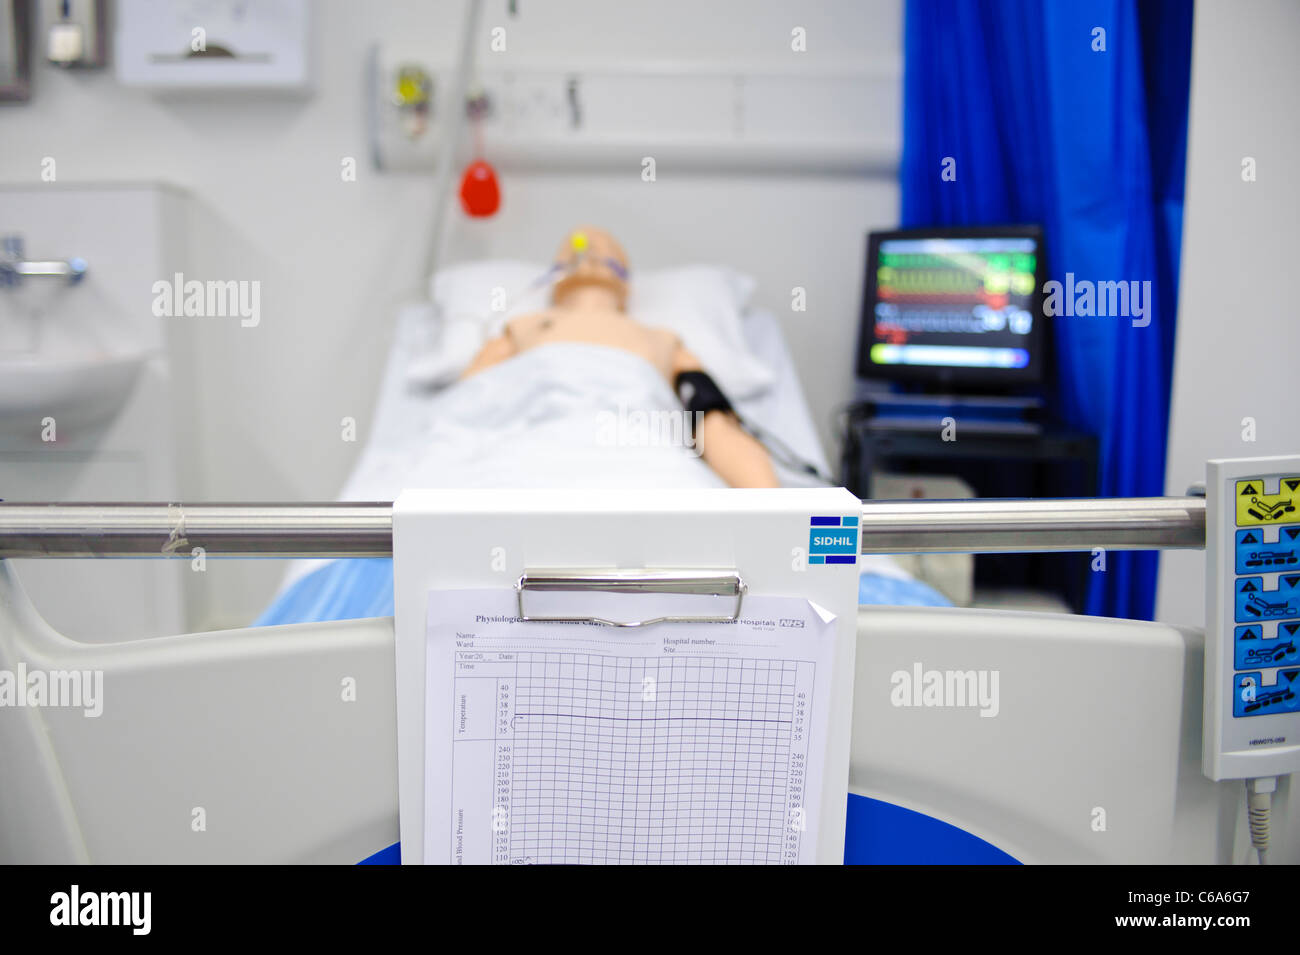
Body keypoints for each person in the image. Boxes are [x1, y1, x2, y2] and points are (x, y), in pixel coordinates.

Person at [461, 226, 780, 489]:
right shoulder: (519, 328)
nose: (588, 253)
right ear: (554, 275)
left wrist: (770, 506)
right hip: (528, 449)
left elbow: (713, 423)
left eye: (605, 249)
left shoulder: (662, 338)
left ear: (626, 282)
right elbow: (464, 411)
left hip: (642, 451)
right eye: (574, 250)